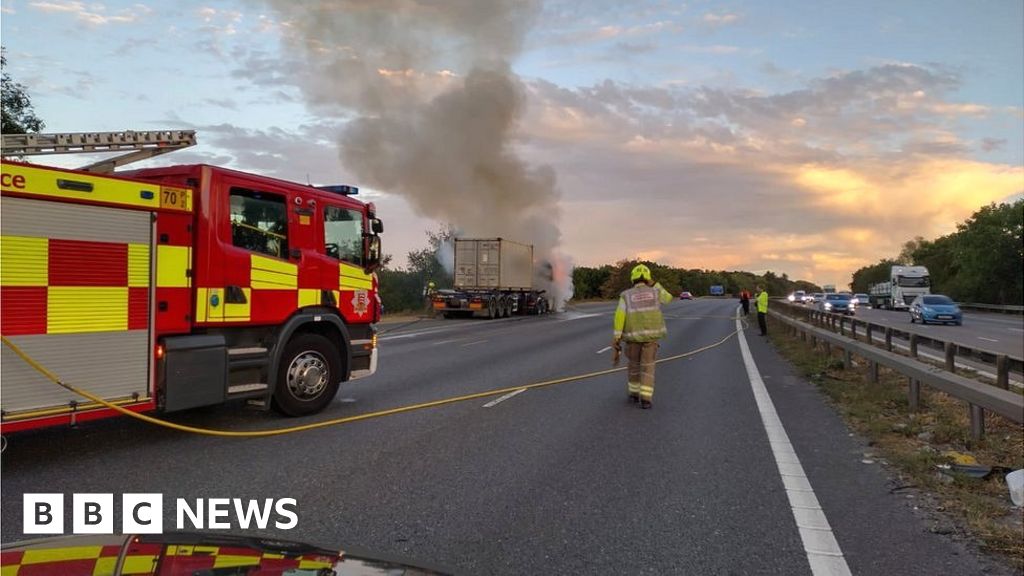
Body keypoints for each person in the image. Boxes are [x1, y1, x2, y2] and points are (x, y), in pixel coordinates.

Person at [612, 264, 674, 409]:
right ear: (648, 278)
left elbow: (619, 316)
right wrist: (655, 284)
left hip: (633, 338)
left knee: (633, 366)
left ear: (633, 278)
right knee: (647, 368)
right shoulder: (656, 292)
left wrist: (617, 338)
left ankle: (633, 394)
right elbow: (668, 298)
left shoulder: (626, 295)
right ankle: (646, 399)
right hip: (650, 339)